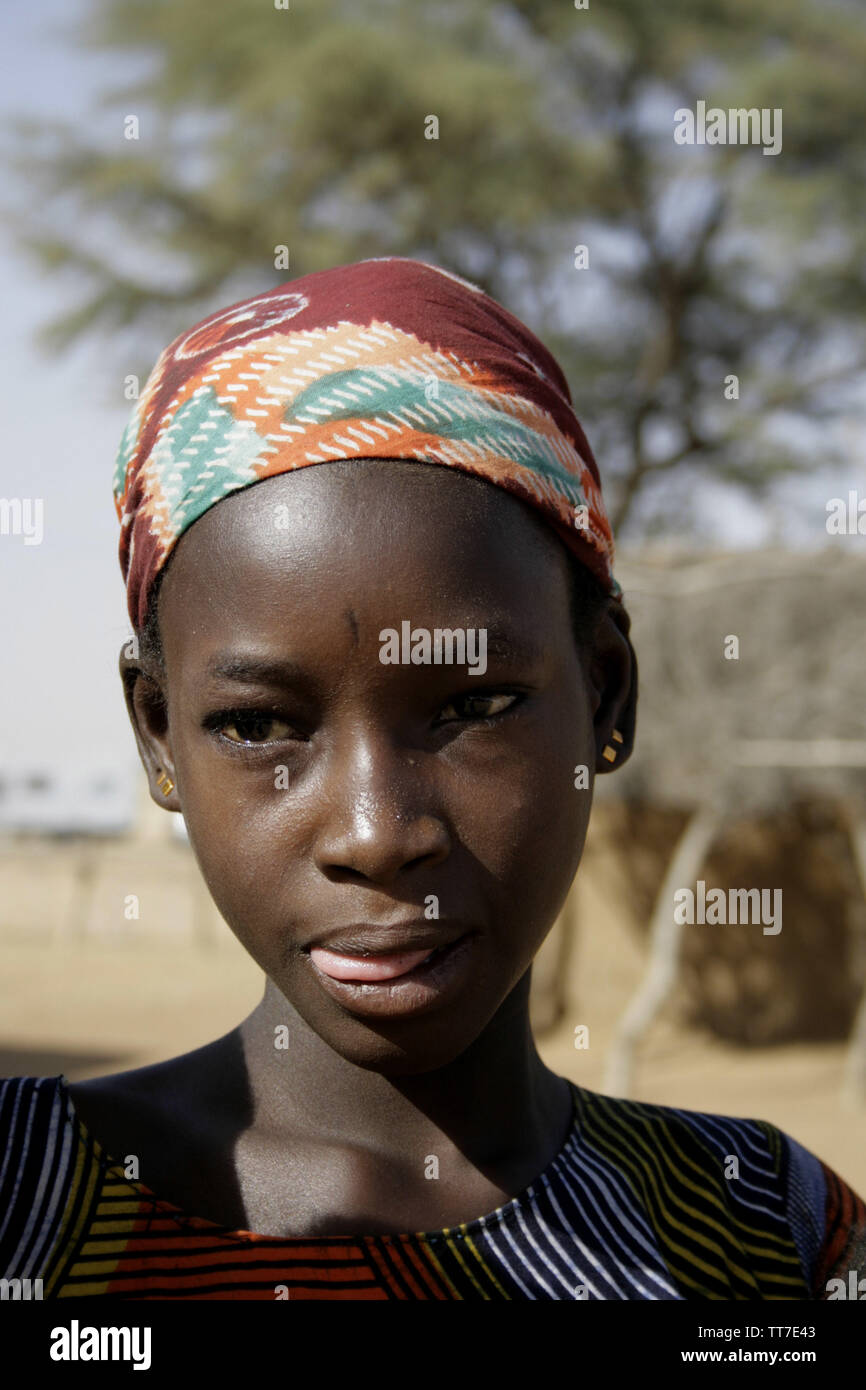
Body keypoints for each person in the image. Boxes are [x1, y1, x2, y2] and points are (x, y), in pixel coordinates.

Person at [2, 257, 863, 1300]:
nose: (374, 834)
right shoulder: (24, 1205)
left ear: (605, 695)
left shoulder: (763, 1233)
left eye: (470, 707)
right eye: (257, 724)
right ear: (157, 738)